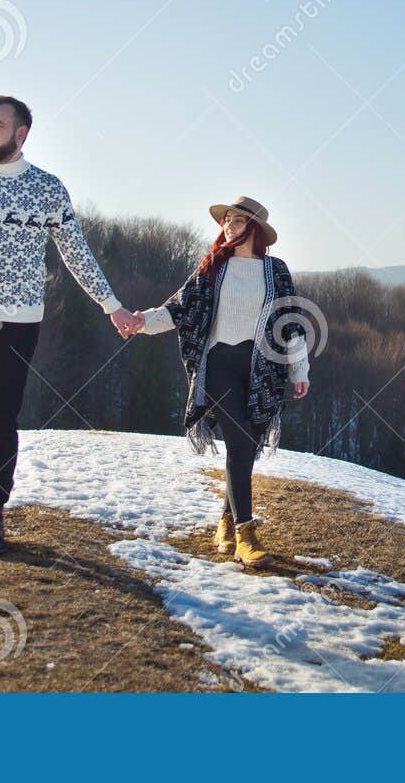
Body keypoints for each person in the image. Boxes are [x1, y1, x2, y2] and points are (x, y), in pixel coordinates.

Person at [0, 94, 143, 555]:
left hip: (19, 321)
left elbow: (77, 253)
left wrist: (111, 305)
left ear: (21, 133)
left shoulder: (48, 189)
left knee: (2, 415)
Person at [128, 196, 311, 565]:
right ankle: (247, 534)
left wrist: (299, 369)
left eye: (238, 220)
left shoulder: (276, 271)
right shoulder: (215, 267)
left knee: (246, 449)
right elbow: (179, 308)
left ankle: (226, 521)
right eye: (227, 219)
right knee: (240, 443)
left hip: (262, 373)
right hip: (219, 366)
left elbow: (290, 322)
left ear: (254, 229)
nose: (229, 225)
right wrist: (142, 321)